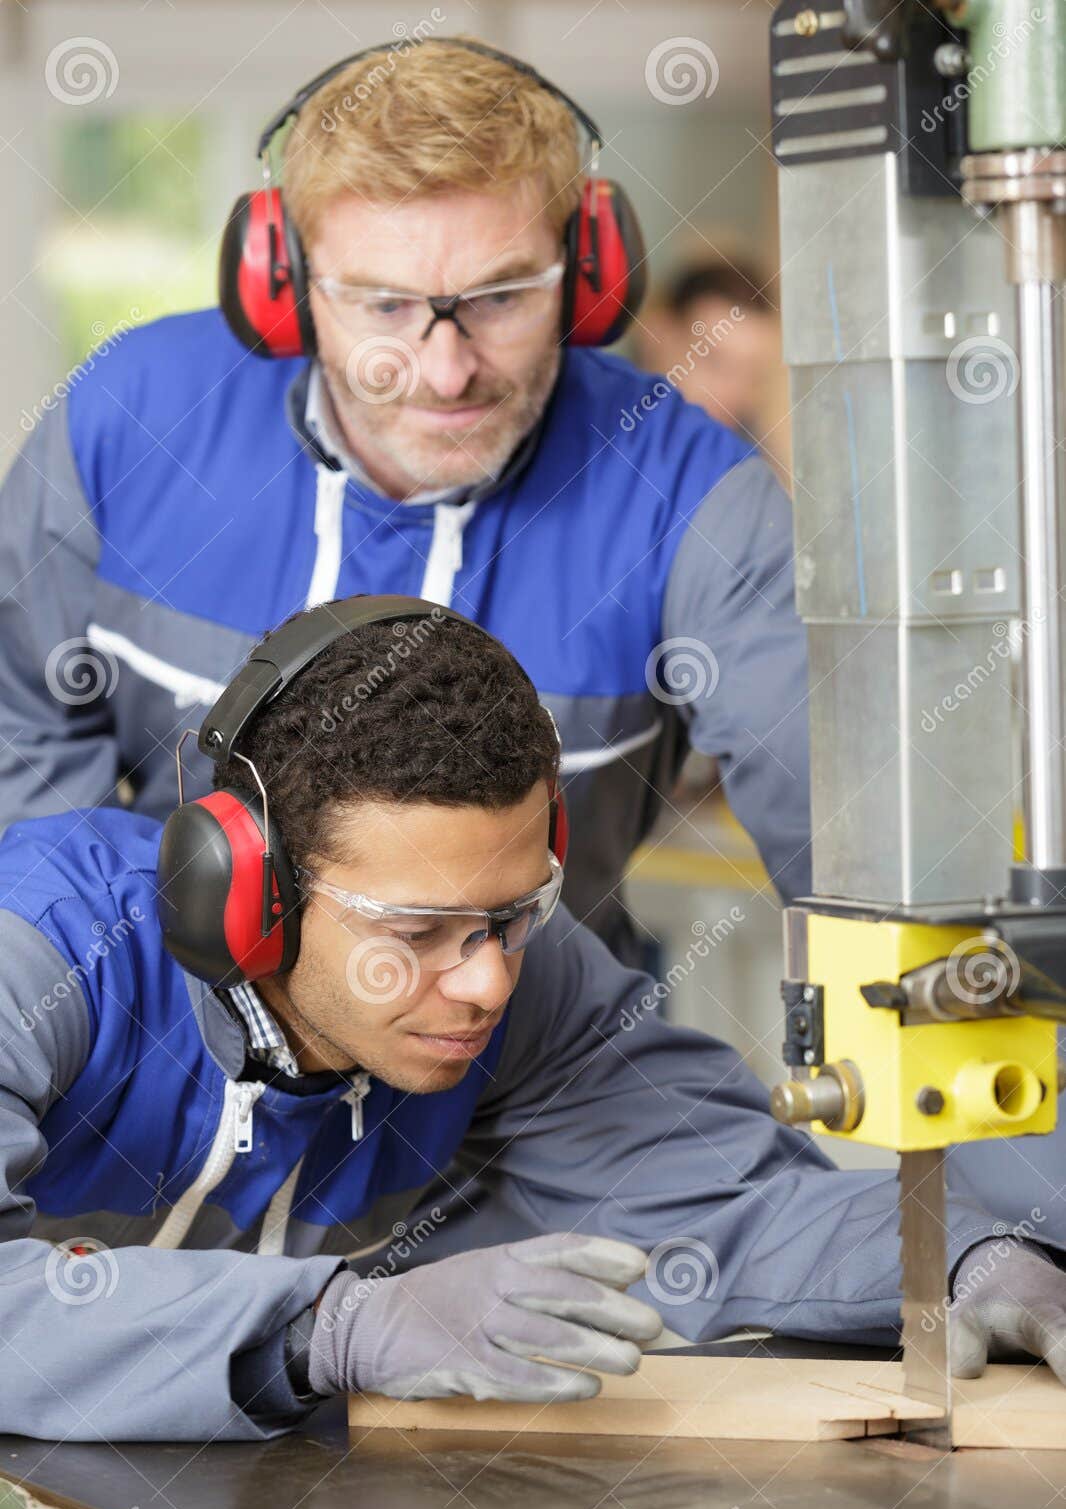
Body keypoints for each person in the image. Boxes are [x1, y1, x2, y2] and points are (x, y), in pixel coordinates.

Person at [0, 595, 1064, 1445]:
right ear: (242, 891)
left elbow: (724, 1204)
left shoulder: (523, 975)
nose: (485, 984)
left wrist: (958, 1255)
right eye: (413, 930)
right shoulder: (37, 957)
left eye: (514, 912)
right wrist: (333, 1327)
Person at [0, 36, 809, 967]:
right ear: (285, 286)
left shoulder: (698, 495)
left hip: (542, 1082)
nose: (445, 370)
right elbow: (26, 773)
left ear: (587, 277)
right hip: (168, 1063)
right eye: (382, 305)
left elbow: (852, 848)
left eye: (502, 297)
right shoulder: (123, 420)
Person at [635, 259, 782, 449]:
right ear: (656, 335)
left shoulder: (747, 459)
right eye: (716, 364)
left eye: (752, 377)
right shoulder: (600, 429)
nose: (734, 394)